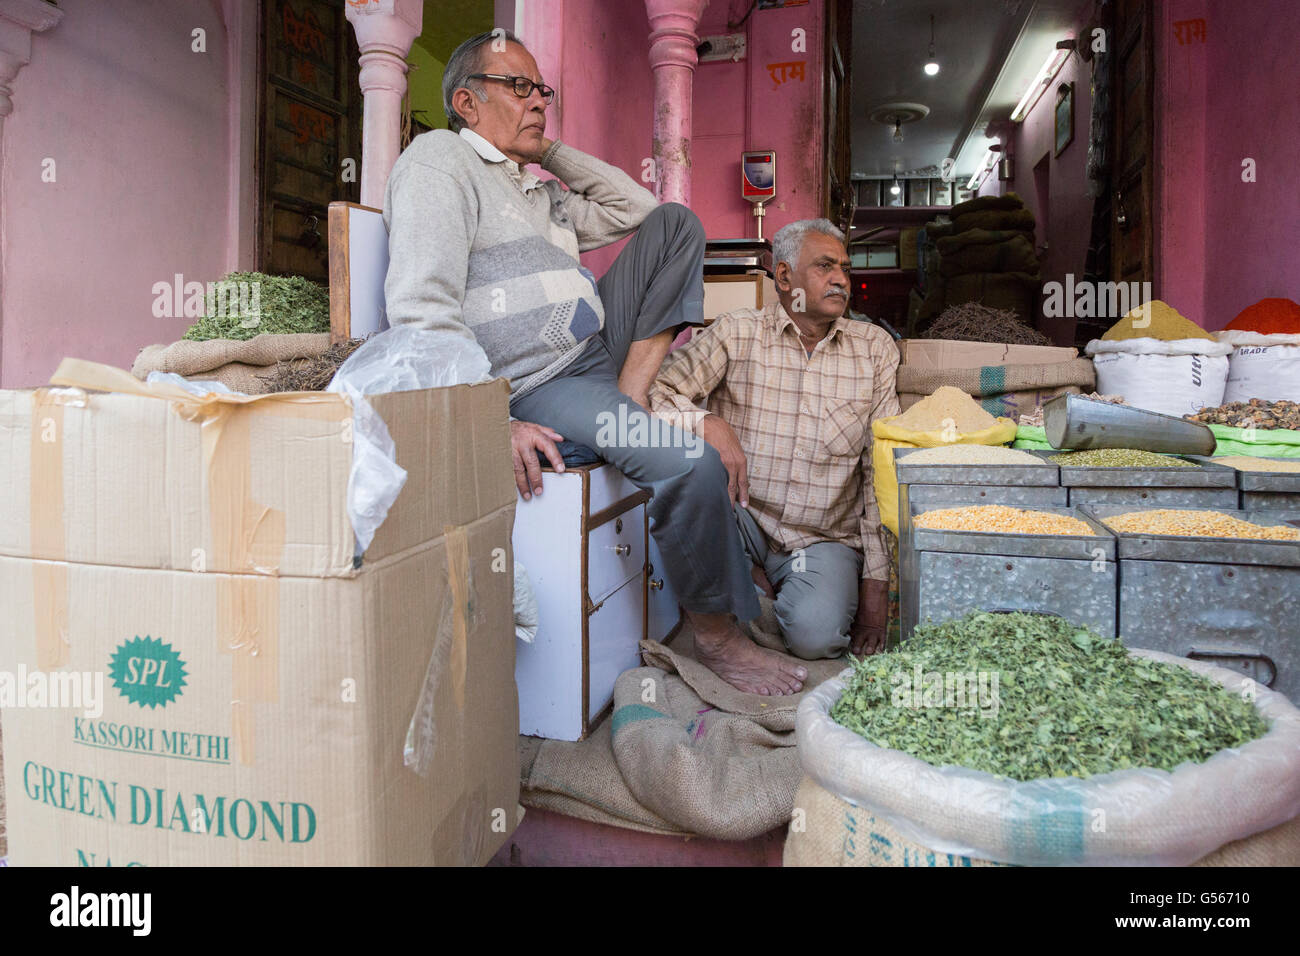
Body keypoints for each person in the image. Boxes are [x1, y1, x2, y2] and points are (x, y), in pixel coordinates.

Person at [382, 30, 809, 695]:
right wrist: (487, 420)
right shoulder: (438, 163)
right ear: (465, 102)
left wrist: (544, 150)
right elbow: (421, 309)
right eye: (517, 88)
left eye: (542, 90)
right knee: (687, 464)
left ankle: (629, 398)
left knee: (676, 223)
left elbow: (637, 209)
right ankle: (719, 638)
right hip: (538, 384)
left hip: (596, 354)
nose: (537, 103)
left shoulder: (534, 190)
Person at [650, 219, 901, 659]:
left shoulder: (874, 349)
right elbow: (653, 393)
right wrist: (707, 423)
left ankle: (754, 593)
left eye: (844, 267)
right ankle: (749, 579)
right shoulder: (737, 332)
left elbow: (878, 471)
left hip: (822, 537)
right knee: (688, 491)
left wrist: (876, 590)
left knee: (815, 637)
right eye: (825, 266)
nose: (841, 279)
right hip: (743, 517)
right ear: (784, 277)